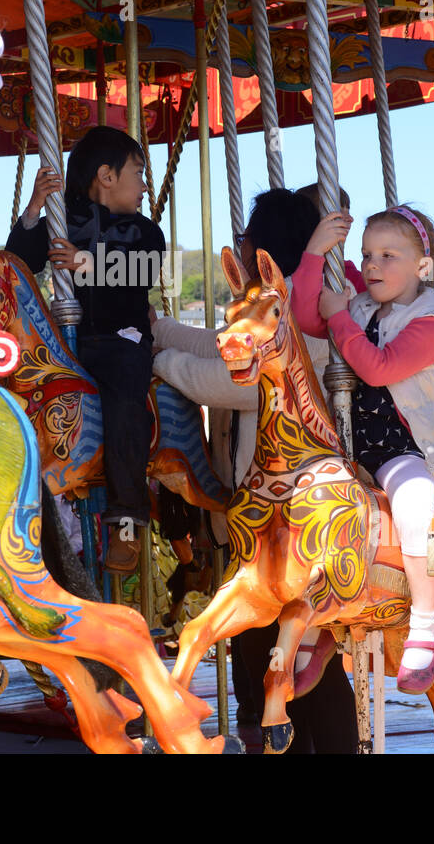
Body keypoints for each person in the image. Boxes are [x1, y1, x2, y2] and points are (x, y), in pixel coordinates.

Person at [153, 186, 358, 752]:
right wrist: (156, 328)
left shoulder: (302, 325)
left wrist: (156, 359)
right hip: (253, 513)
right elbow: (212, 344)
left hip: (296, 519)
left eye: (247, 237)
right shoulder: (260, 313)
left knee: (305, 671)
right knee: (252, 660)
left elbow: (218, 380)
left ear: (264, 247)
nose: (239, 244)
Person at [290, 205, 434, 694]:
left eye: (389, 255)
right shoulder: (360, 306)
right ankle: (318, 617)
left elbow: (378, 369)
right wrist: (315, 253)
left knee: (414, 505)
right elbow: (305, 315)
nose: (372, 265)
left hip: (405, 448)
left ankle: (426, 623)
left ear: (423, 266)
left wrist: (339, 316)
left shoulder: (431, 323)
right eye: (366, 255)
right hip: (346, 447)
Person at [5, 127, 165, 574]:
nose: (144, 184)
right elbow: (20, 262)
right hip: (67, 342)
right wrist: (36, 208)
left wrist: (86, 263)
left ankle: (127, 521)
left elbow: (144, 268)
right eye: (138, 172)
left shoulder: (142, 229)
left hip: (119, 340)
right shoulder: (63, 217)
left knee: (124, 397)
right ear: (106, 175)